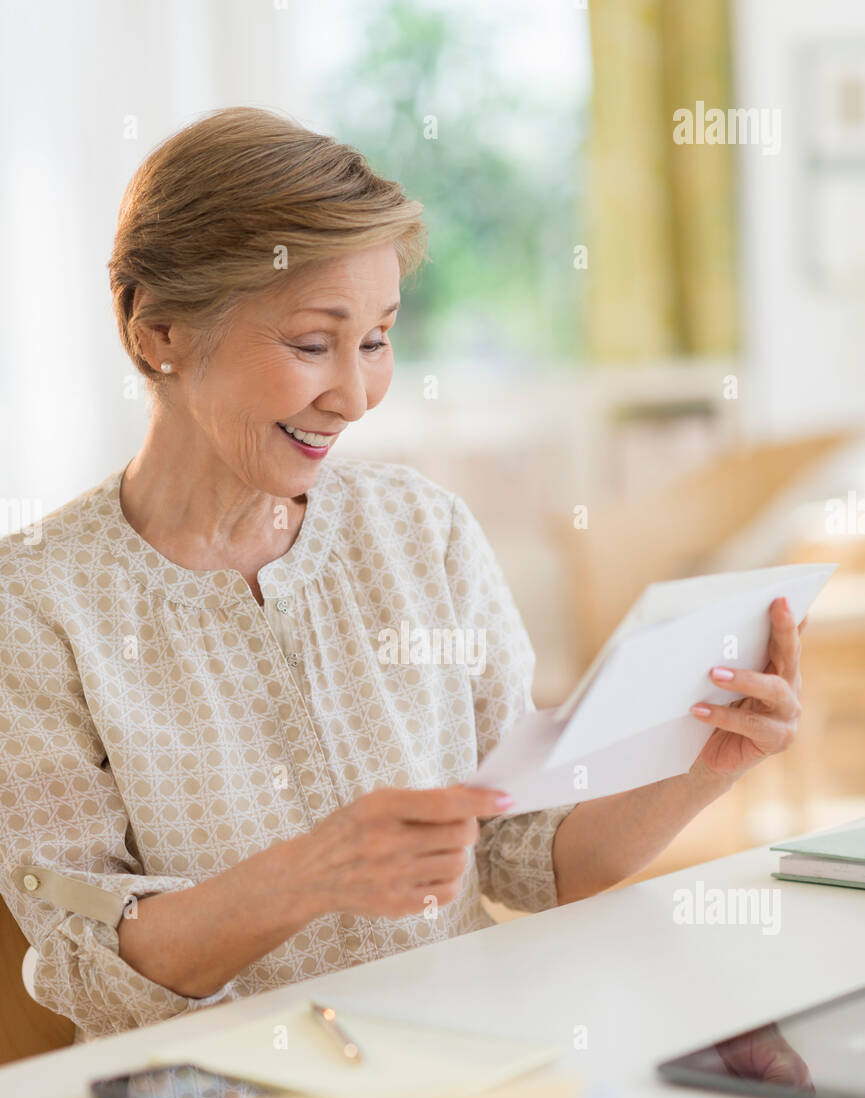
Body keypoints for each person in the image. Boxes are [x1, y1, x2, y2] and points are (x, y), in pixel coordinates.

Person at [0, 107, 805, 1040]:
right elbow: (84, 968)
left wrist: (702, 767)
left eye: (376, 338)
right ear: (159, 333)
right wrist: (305, 875)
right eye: (311, 343)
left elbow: (523, 855)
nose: (354, 395)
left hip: (470, 1059)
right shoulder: (34, 603)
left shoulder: (420, 531)